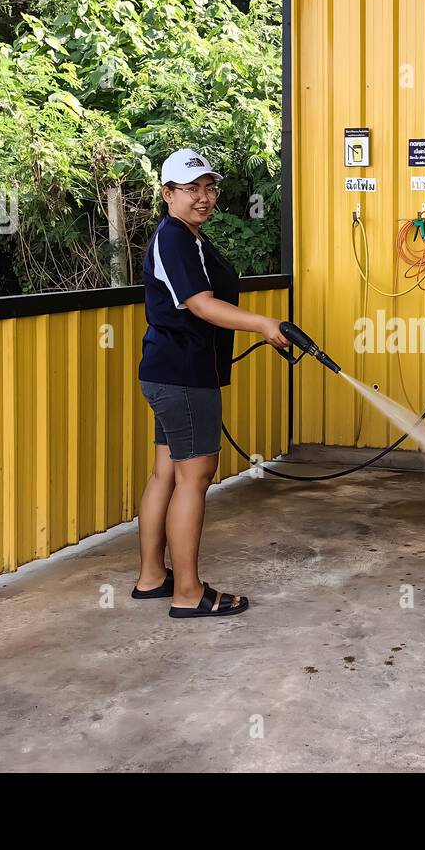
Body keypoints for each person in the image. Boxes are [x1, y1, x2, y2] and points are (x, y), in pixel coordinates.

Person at [133, 148, 288, 618]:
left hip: (169, 373)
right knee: (194, 479)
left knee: (167, 473)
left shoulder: (186, 237)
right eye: (190, 188)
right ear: (168, 194)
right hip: (184, 378)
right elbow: (200, 304)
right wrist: (263, 323)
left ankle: (152, 578)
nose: (203, 197)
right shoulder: (176, 238)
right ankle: (187, 593)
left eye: (208, 187)